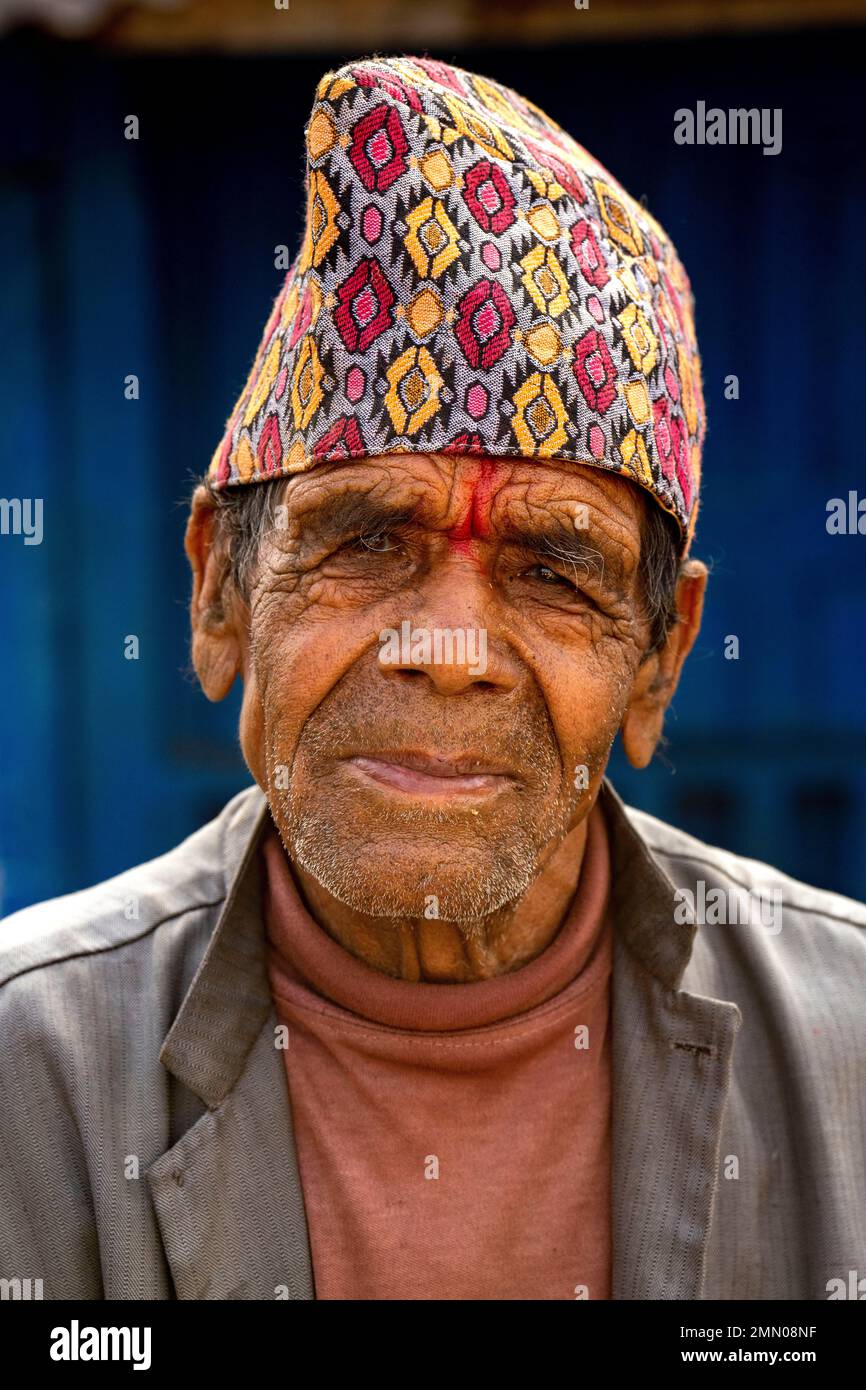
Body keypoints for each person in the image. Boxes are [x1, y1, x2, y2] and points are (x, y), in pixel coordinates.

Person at [1, 54, 864, 1302]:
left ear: (658, 655)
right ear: (216, 593)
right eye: (362, 541)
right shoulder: (32, 1076)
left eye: (553, 568)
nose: (445, 651)